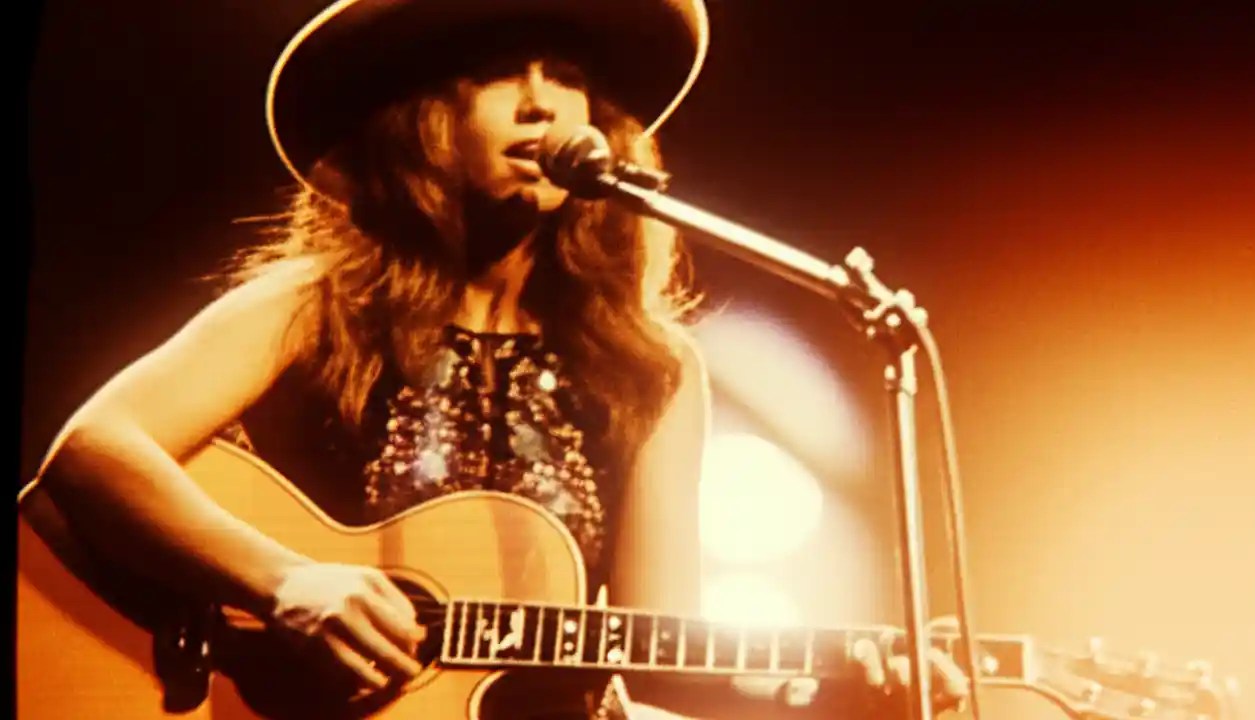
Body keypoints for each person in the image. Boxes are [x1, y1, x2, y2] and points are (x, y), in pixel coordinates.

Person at [25, 0, 970, 717]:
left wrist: (846, 687)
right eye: (494, 76)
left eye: (563, 76)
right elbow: (94, 451)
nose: (541, 104)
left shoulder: (652, 370)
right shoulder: (321, 302)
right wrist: (285, 583)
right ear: (420, 117)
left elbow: (651, 668)